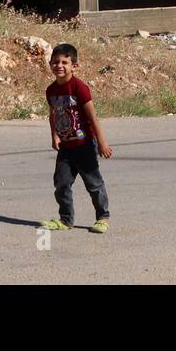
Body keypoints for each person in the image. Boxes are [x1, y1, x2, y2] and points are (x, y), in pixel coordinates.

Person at [39, 43, 113, 233]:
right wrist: (54, 135)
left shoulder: (79, 88)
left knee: (94, 184)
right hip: (66, 147)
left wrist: (102, 143)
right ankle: (65, 220)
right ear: (50, 64)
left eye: (65, 62)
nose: (59, 66)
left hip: (85, 145)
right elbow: (52, 114)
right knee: (61, 183)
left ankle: (103, 217)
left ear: (74, 66)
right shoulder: (51, 90)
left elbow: (92, 117)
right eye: (55, 62)